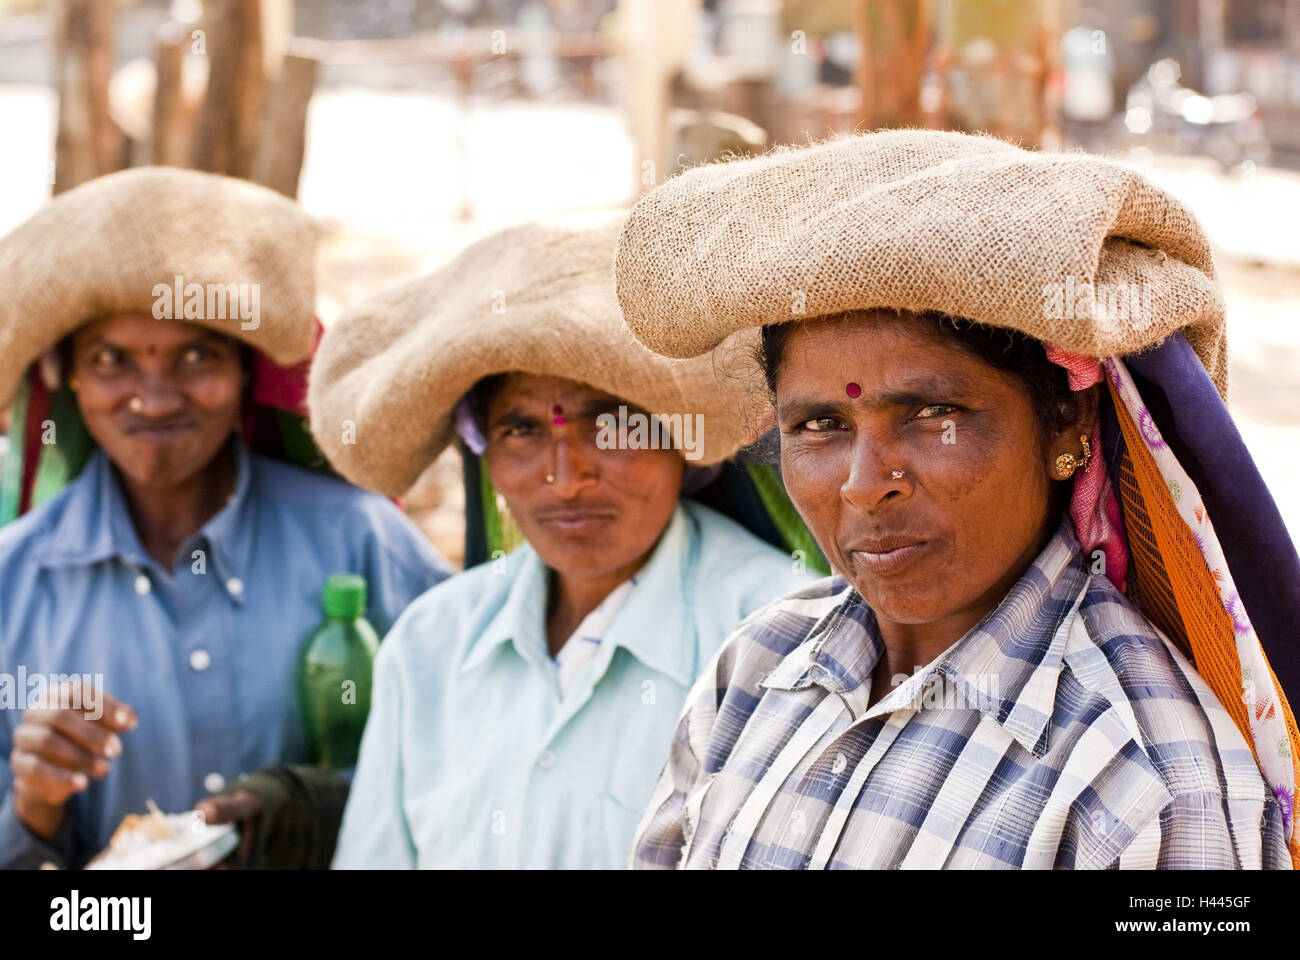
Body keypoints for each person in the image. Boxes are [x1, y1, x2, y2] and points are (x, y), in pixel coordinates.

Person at [614, 129, 1300, 869]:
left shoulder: (1147, 779)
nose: (864, 481)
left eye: (932, 415)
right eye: (820, 425)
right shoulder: (753, 670)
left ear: (1064, 424)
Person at [310, 218, 813, 868]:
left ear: (681, 442)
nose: (566, 477)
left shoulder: (783, 643)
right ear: (482, 452)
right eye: (521, 429)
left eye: (611, 423)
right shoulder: (431, 644)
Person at [0, 168, 449, 870]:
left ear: (246, 372)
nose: (153, 397)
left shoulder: (357, 539)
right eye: (111, 359)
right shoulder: (13, 582)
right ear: (69, 376)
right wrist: (34, 804)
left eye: (196, 356)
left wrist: (316, 808)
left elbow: (470, 751)